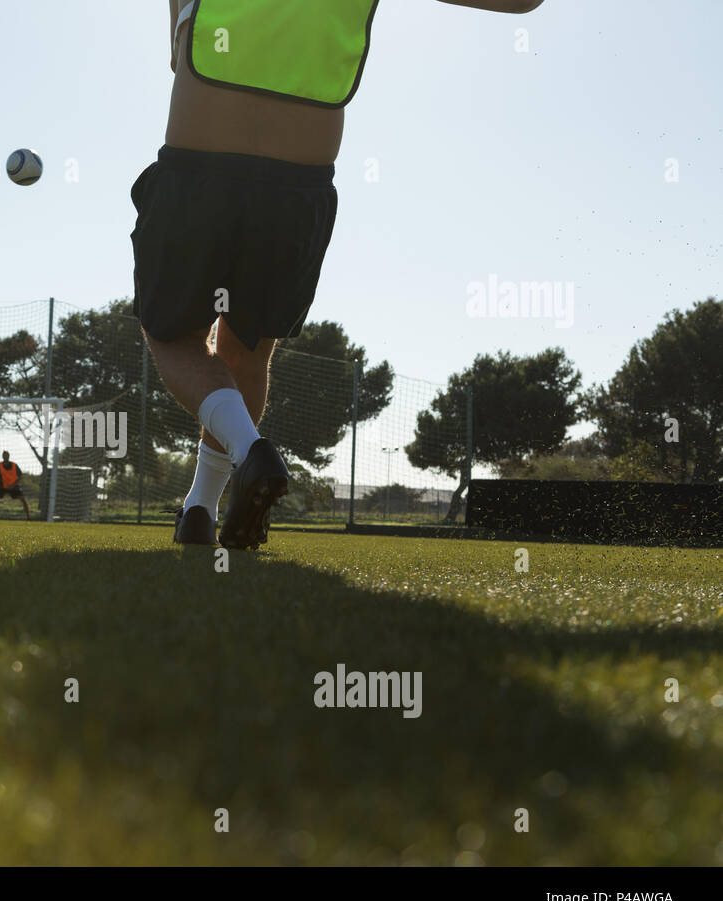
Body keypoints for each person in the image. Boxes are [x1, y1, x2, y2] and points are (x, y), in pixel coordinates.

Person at [133, 0, 545, 548]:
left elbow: (175, 50)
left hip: (200, 169)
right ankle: (201, 506)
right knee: (248, 351)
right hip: (298, 187)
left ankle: (248, 453)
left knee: (173, 335)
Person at [0, 451, 30, 520]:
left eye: (7, 455)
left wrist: (13, 484)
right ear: (2, 456)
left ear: (9, 456)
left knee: (23, 499)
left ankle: (28, 517)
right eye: (4, 455)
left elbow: (20, 476)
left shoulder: (14, 465)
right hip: (2, 486)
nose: (5, 457)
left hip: (14, 487)